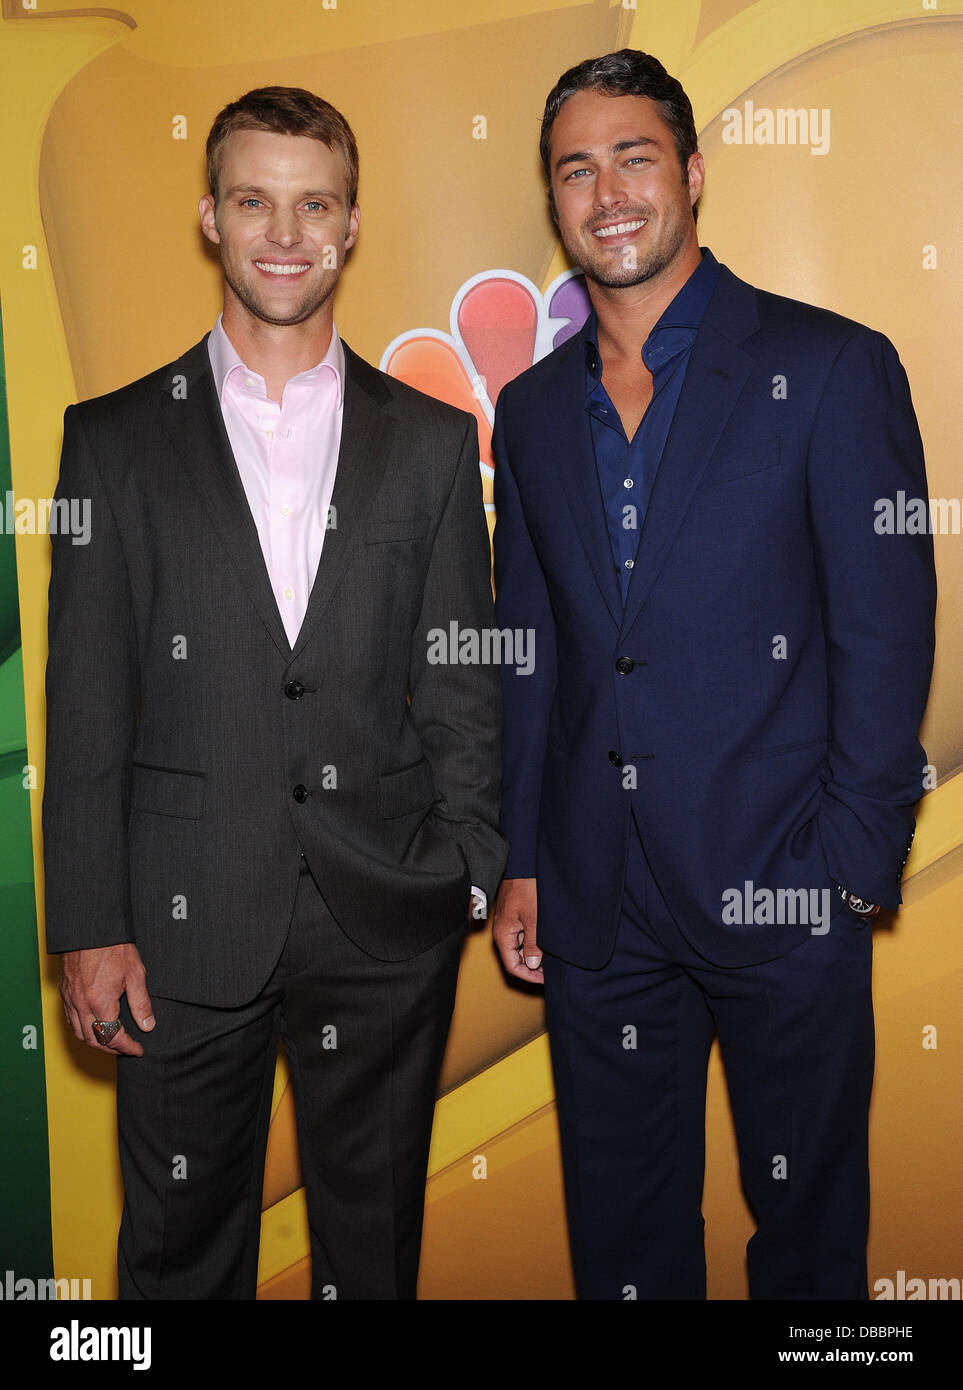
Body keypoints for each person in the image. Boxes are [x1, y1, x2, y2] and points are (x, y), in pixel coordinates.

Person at [43, 85, 505, 1301]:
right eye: (255, 200)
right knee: (176, 1256)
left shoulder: (432, 441)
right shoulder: (114, 441)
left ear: (353, 224)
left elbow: (459, 672)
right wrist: (88, 922)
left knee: (372, 1253)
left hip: (385, 916)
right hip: (179, 921)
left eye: (315, 204)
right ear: (210, 216)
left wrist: (467, 855)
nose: (286, 233)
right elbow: (87, 700)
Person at [491, 50, 935, 1300]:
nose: (608, 191)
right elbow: (529, 650)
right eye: (577, 168)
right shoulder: (526, 413)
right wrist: (522, 855)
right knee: (624, 1250)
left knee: (806, 1252)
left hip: (785, 883)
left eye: (634, 156)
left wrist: (849, 864)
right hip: (594, 904)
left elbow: (887, 629)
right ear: (555, 199)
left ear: (690, 172)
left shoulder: (833, 368)